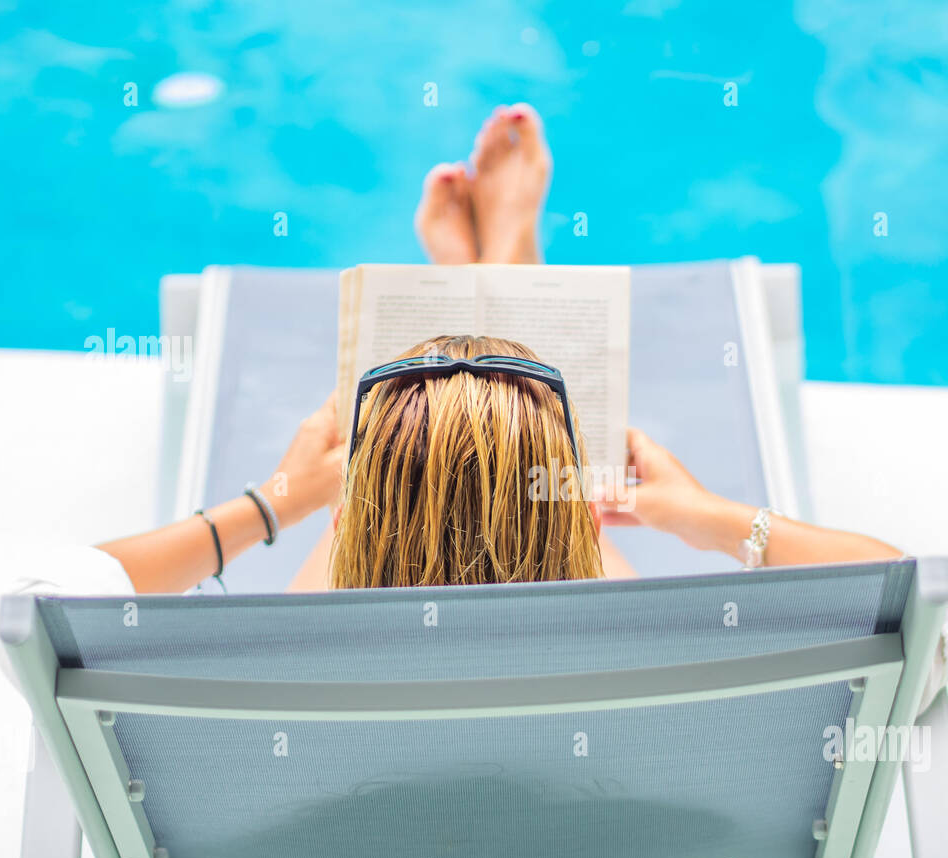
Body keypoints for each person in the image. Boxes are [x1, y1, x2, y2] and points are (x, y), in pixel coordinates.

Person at [82, 103, 900, 596]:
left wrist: (280, 502)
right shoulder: (646, 649)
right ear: (582, 514)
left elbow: (67, 592)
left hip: (337, 857)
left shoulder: (288, 667)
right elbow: (903, 591)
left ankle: (492, 276)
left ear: (348, 516)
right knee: (528, 513)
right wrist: (702, 517)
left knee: (444, 488)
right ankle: (507, 268)